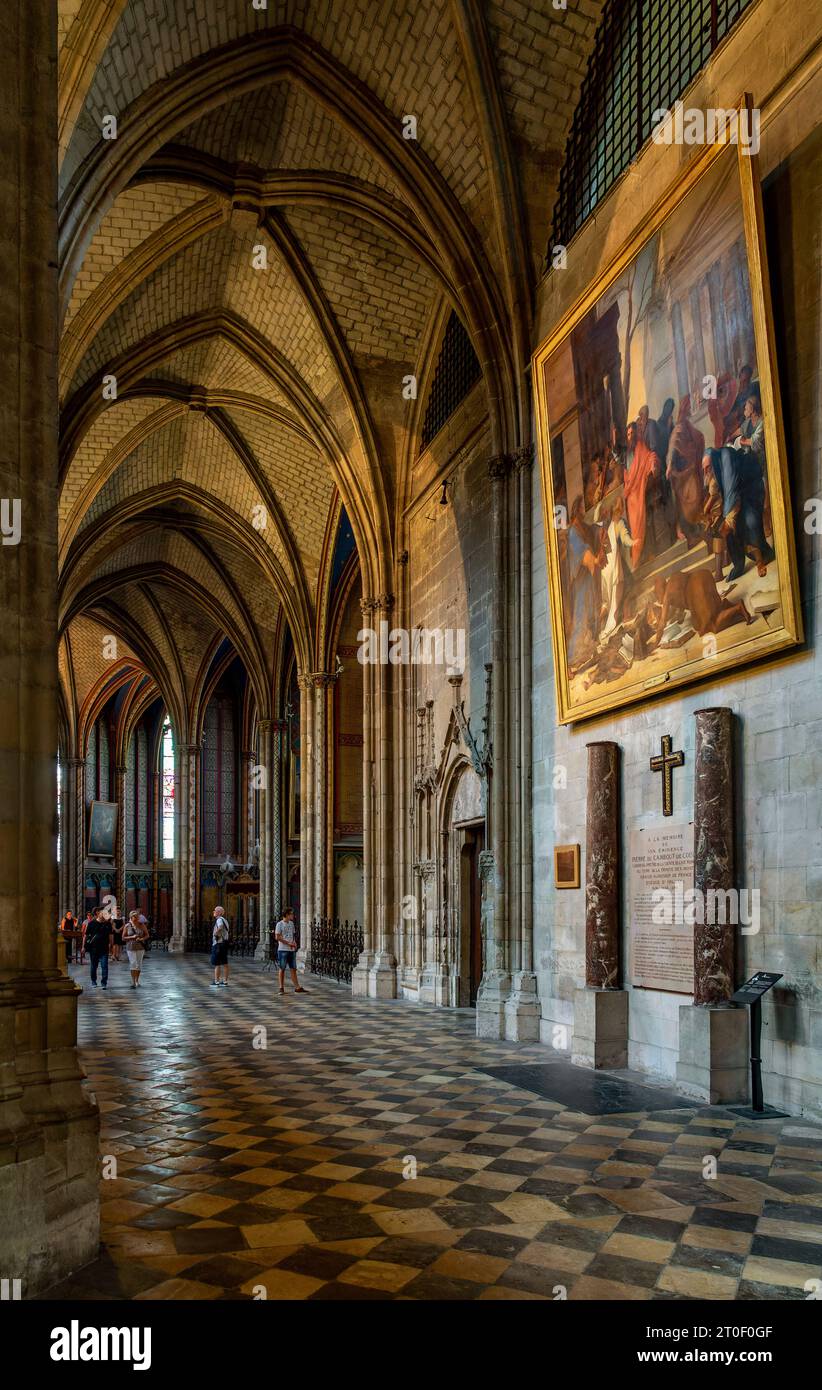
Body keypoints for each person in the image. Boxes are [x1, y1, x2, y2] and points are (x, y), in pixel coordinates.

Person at [274, 908, 308, 996]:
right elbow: (277, 937)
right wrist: (288, 943)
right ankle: (281, 987)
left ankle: (297, 987)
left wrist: (294, 942)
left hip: (291, 950)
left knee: (293, 969)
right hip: (283, 950)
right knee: (282, 968)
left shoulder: (291, 923)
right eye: (291, 914)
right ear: (287, 914)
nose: (293, 915)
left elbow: (292, 935)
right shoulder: (279, 924)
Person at [85, 907, 112, 989]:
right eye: (102, 913)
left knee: (104, 966)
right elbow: (86, 936)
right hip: (94, 948)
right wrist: (83, 947)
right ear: (98, 913)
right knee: (93, 966)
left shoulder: (108, 924)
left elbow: (110, 935)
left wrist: (111, 945)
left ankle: (104, 983)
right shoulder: (91, 923)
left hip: (104, 948)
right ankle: (93, 981)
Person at [122, 909, 149, 989]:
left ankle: (137, 980)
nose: (137, 918)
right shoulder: (127, 926)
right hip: (130, 947)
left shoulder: (142, 925)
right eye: (135, 917)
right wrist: (131, 937)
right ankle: (133, 982)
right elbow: (123, 938)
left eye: (137, 916)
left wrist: (141, 939)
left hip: (140, 947)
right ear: (131, 917)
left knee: (139, 964)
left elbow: (147, 935)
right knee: (133, 963)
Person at [211, 905, 230, 988]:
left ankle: (216, 981)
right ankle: (225, 981)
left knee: (217, 963)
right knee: (225, 963)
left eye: (215, 910)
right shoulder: (225, 920)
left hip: (218, 943)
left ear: (219, 912)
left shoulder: (219, 920)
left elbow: (220, 927)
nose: (213, 912)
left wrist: (216, 933)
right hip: (224, 944)